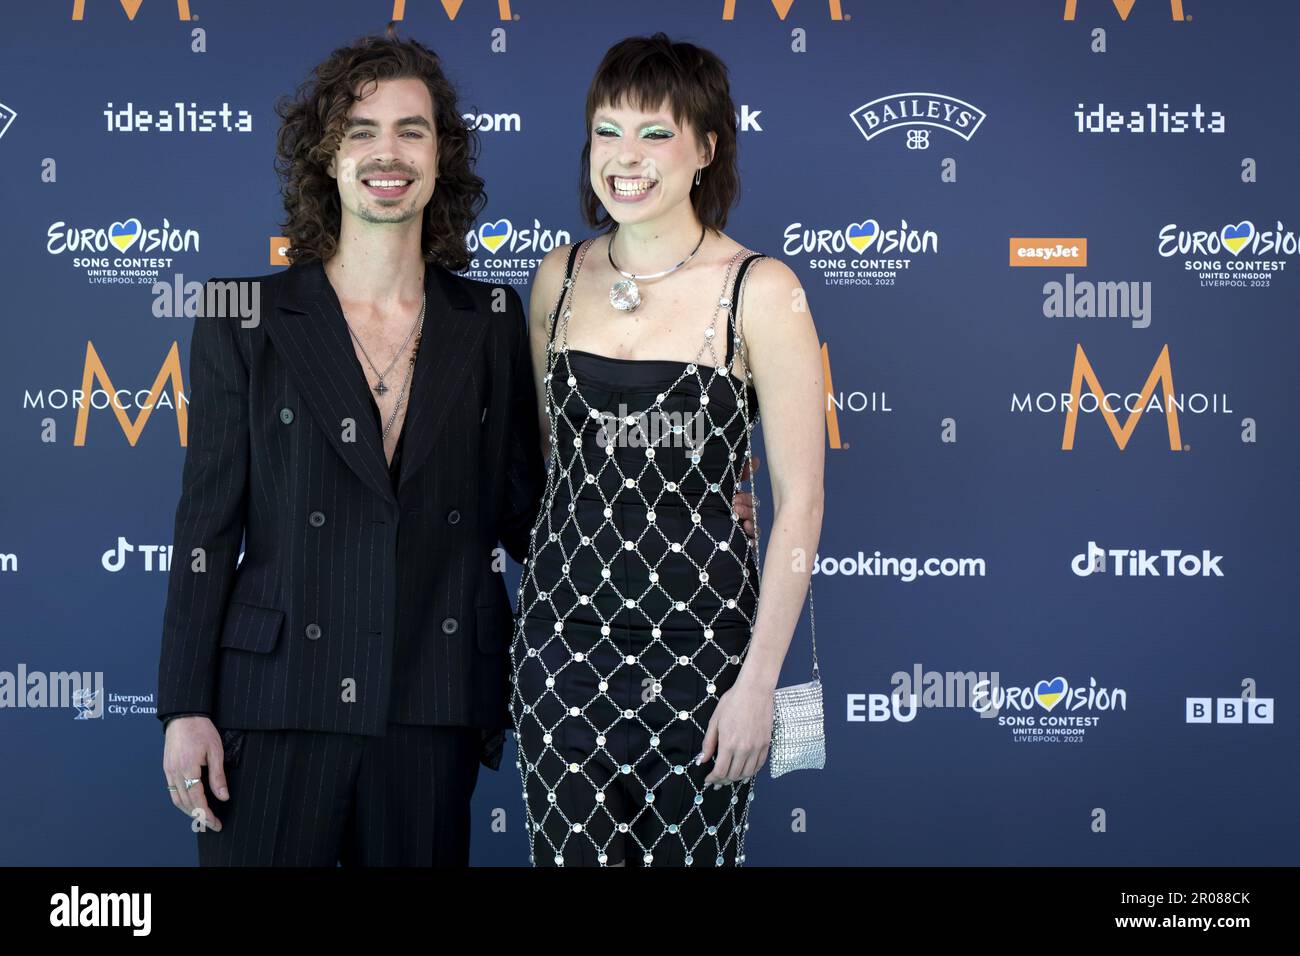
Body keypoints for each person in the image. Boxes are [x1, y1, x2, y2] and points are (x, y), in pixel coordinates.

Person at [156, 28, 546, 866]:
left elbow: (527, 514)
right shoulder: (242, 314)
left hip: (430, 698)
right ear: (326, 158)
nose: (387, 152)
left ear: (442, 156)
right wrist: (184, 706)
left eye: (412, 129)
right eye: (360, 130)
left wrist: (669, 508)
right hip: (273, 699)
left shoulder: (492, 322)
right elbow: (207, 528)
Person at [509, 33, 825, 867]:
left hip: (704, 652)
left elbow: (799, 503)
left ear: (706, 148)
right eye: (608, 130)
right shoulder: (557, 277)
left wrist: (758, 684)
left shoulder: (762, 289)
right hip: (563, 646)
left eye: (656, 133)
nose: (626, 158)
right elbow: (553, 469)